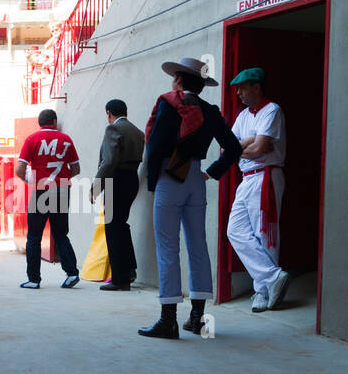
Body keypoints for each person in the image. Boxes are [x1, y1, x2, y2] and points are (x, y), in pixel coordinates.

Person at [138, 57, 242, 339]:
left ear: (180, 81)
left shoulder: (169, 103)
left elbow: (157, 144)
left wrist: (152, 182)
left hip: (170, 178)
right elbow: (233, 148)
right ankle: (197, 318)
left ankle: (168, 320)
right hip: (196, 177)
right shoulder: (210, 110)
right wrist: (212, 172)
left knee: (168, 249)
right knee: (198, 245)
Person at [226, 67, 291, 311]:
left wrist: (243, 146)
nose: (239, 93)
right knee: (235, 231)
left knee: (266, 235)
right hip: (247, 178)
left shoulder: (271, 110)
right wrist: (247, 144)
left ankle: (262, 292)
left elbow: (261, 148)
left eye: (243, 88)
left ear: (256, 87)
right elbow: (226, 147)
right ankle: (273, 278)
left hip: (266, 175)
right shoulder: (243, 116)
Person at [16, 109, 81, 289]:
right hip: (61, 190)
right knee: (61, 234)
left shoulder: (32, 140)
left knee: (34, 236)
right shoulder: (66, 139)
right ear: (54, 121)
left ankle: (34, 279)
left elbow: (19, 170)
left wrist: (32, 180)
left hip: (41, 191)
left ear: (39, 123)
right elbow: (76, 169)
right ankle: (72, 273)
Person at [93, 98, 144, 291]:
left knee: (112, 227)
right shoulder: (138, 132)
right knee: (121, 225)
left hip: (117, 180)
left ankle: (120, 279)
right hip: (132, 179)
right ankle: (129, 270)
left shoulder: (113, 129)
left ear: (109, 113)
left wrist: (95, 188)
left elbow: (109, 161)